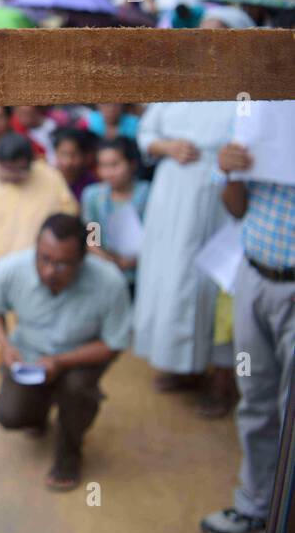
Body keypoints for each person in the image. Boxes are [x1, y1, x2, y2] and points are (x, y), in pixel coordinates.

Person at [0, 214, 132, 491]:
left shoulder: (110, 282)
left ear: (83, 259)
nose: (50, 270)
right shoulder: (11, 268)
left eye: (62, 264)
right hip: (29, 355)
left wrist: (61, 362)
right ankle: (38, 410)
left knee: (75, 388)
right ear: (35, 248)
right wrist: (6, 346)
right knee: (10, 415)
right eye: (44, 258)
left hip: (82, 356)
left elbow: (113, 343)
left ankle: (69, 455)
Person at [201, 101, 295, 533]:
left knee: (290, 409)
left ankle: (283, 516)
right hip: (254, 276)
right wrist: (231, 170)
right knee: (256, 397)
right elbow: (237, 209)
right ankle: (255, 506)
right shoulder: (264, 113)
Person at [132, 100, 236, 393]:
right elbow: (145, 135)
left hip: (221, 193)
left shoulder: (245, 96)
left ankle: (222, 376)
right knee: (171, 277)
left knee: (216, 279)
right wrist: (168, 147)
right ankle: (180, 363)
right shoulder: (175, 90)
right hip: (173, 193)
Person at [0, 133, 78, 344]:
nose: (11, 176)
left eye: (18, 171)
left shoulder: (51, 178)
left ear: (31, 165)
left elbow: (69, 217)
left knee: (33, 334)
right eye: (6, 169)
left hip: (37, 273)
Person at [81, 137, 150, 297]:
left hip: (144, 275)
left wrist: (134, 261)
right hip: (106, 276)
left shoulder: (147, 193)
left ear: (132, 164)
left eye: (115, 165)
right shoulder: (93, 196)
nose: (108, 172)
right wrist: (112, 262)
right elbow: (92, 239)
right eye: (103, 166)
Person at [53, 127, 98, 202]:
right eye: (63, 154)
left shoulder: (92, 186)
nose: (68, 162)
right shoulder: (47, 180)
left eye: (74, 155)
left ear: (85, 156)